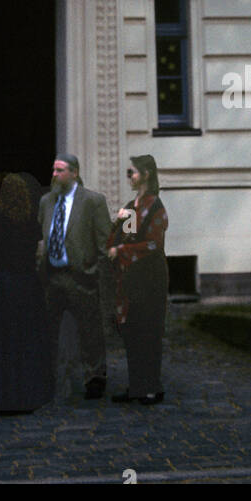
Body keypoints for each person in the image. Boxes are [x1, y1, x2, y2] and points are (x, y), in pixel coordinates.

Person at [0, 172, 54, 414]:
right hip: (26, 286)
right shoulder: (32, 219)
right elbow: (41, 250)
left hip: (2, 287)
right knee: (24, 341)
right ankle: (25, 396)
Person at [38, 153, 111, 399]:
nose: (55, 175)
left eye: (60, 170)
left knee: (90, 329)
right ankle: (47, 375)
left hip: (82, 276)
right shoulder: (46, 201)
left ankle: (95, 376)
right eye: (54, 170)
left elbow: (104, 243)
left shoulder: (92, 201)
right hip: (52, 276)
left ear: (74, 173)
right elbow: (42, 235)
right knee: (48, 329)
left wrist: (98, 275)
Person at [107, 154, 168, 405]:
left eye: (132, 172)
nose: (129, 178)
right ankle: (137, 386)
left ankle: (151, 386)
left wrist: (121, 251)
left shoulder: (155, 207)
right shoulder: (133, 206)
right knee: (132, 331)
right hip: (131, 278)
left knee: (149, 330)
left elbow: (153, 244)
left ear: (146, 174)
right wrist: (119, 227)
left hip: (150, 277)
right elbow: (127, 237)